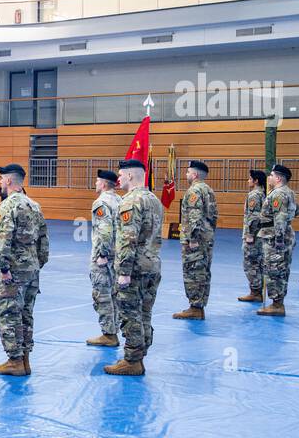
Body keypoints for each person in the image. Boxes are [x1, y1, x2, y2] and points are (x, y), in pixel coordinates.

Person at [105, 158, 163, 375]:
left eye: (120, 175)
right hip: (152, 264)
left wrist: (124, 272)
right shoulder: (154, 199)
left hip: (135, 268)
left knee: (130, 314)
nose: (118, 179)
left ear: (130, 175)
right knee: (145, 312)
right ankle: (140, 353)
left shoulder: (130, 201)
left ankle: (132, 360)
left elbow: (127, 239)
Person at [0, 164, 49, 377]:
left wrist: (4, 268)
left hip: (14, 270)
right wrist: (38, 263)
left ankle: (14, 361)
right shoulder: (34, 205)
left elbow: (4, 240)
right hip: (32, 269)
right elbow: (44, 238)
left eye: (1, 179)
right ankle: (25, 359)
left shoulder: (8, 206)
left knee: (8, 313)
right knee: (26, 314)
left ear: (8, 181)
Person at [174, 159, 218, 319]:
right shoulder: (208, 190)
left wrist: (193, 238)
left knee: (193, 272)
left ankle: (195, 307)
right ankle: (199, 306)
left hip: (196, 240)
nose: (186, 174)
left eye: (187, 171)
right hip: (206, 238)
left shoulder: (194, 191)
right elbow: (213, 216)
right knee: (203, 271)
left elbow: (194, 216)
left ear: (195, 174)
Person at [256, 164, 297, 316]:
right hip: (283, 234)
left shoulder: (278, 194)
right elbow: (296, 210)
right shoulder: (289, 192)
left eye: (272, 175)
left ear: (278, 178)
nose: (269, 178)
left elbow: (279, 218)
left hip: (275, 237)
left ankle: (277, 304)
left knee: (275, 270)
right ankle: (278, 302)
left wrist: (279, 238)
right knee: (281, 269)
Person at [86, 168, 120, 347]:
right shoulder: (120, 200)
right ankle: (114, 329)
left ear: (104, 184)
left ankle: (108, 334)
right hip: (119, 255)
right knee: (115, 294)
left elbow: (104, 230)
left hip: (106, 257)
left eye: (98, 181)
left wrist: (102, 254)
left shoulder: (101, 202)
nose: (96, 183)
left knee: (102, 294)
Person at [238, 170, 268, 303]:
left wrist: (250, 234)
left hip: (254, 236)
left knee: (251, 263)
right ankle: (257, 290)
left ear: (256, 181)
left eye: (250, 179)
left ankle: (255, 292)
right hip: (260, 234)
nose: (248, 181)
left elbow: (253, 217)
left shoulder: (254, 195)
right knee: (257, 263)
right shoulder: (262, 193)